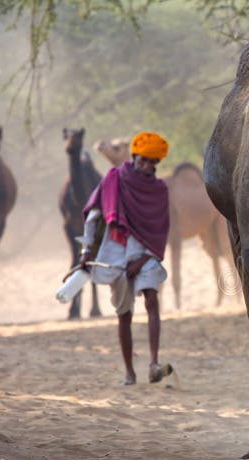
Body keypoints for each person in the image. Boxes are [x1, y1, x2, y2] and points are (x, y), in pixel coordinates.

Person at [79, 132, 171, 386]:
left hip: (145, 254)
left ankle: (154, 363)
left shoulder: (160, 189)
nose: (148, 166)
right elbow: (94, 215)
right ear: (134, 157)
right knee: (124, 314)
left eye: (154, 162)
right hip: (115, 254)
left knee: (152, 299)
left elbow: (160, 230)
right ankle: (130, 372)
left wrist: (140, 263)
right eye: (144, 160)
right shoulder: (114, 179)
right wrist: (86, 251)